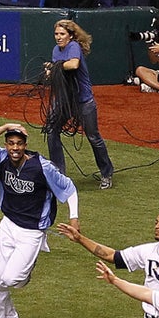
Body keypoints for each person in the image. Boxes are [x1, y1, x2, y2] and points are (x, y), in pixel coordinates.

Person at [0, 123, 79, 318]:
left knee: (11, 280)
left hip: (32, 231)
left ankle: (25, 272)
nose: (15, 148)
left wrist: (74, 218)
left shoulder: (42, 167)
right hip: (8, 224)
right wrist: (4, 126)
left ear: (25, 145)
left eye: (19, 143)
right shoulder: (1, 157)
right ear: (6, 144)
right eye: (11, 143)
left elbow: (69, 188)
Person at [46, 19, 114, 190]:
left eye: (62, 34)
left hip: (83, 100)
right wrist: (51, 72)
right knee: (51, 129)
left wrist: (55, 67)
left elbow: (73, 64)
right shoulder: (56, 50)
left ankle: (106, 173)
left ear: (71, 36)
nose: (58, 37)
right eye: (56, 34)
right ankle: (58, 173)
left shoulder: (74, 47)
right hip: (65, 100)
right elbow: (60, 73)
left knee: (93, 137)